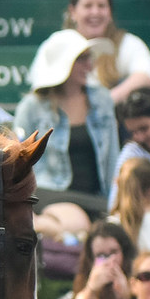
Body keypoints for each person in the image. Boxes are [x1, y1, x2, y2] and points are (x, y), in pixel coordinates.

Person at [18, 31, 120, 223]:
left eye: (89, 57)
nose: (89, 65)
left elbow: (113, 156)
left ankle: (45, 227)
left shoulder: (102, 99)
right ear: (64, 64)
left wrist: (116, 197)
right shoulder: (31, 107)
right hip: (50, 194)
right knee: (76, 220)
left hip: (96, 198)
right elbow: (20, 164)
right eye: (81, 59)